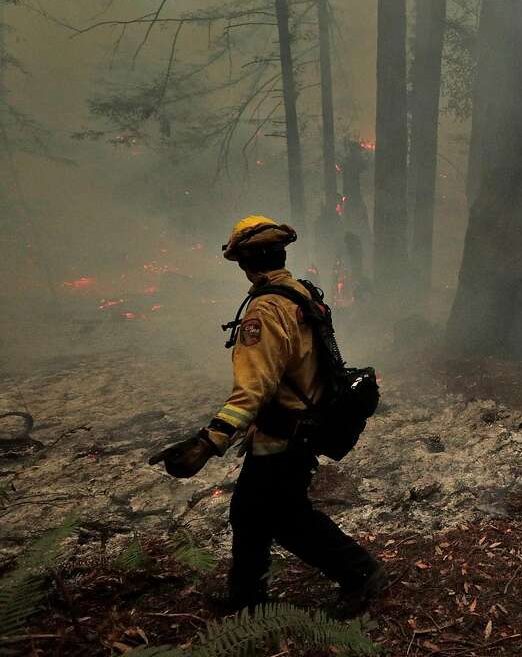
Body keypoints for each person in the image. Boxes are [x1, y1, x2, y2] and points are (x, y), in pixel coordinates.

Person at [149, 215, 385, 614]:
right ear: (280, 253)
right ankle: (247, 598)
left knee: (287, 519)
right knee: (249, 513)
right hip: (300, 426)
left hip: (284, 435)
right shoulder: (300, 293)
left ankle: (360, 572)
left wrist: (209, 441)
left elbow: (252, 389)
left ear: (245, 263)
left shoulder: (266, 310)